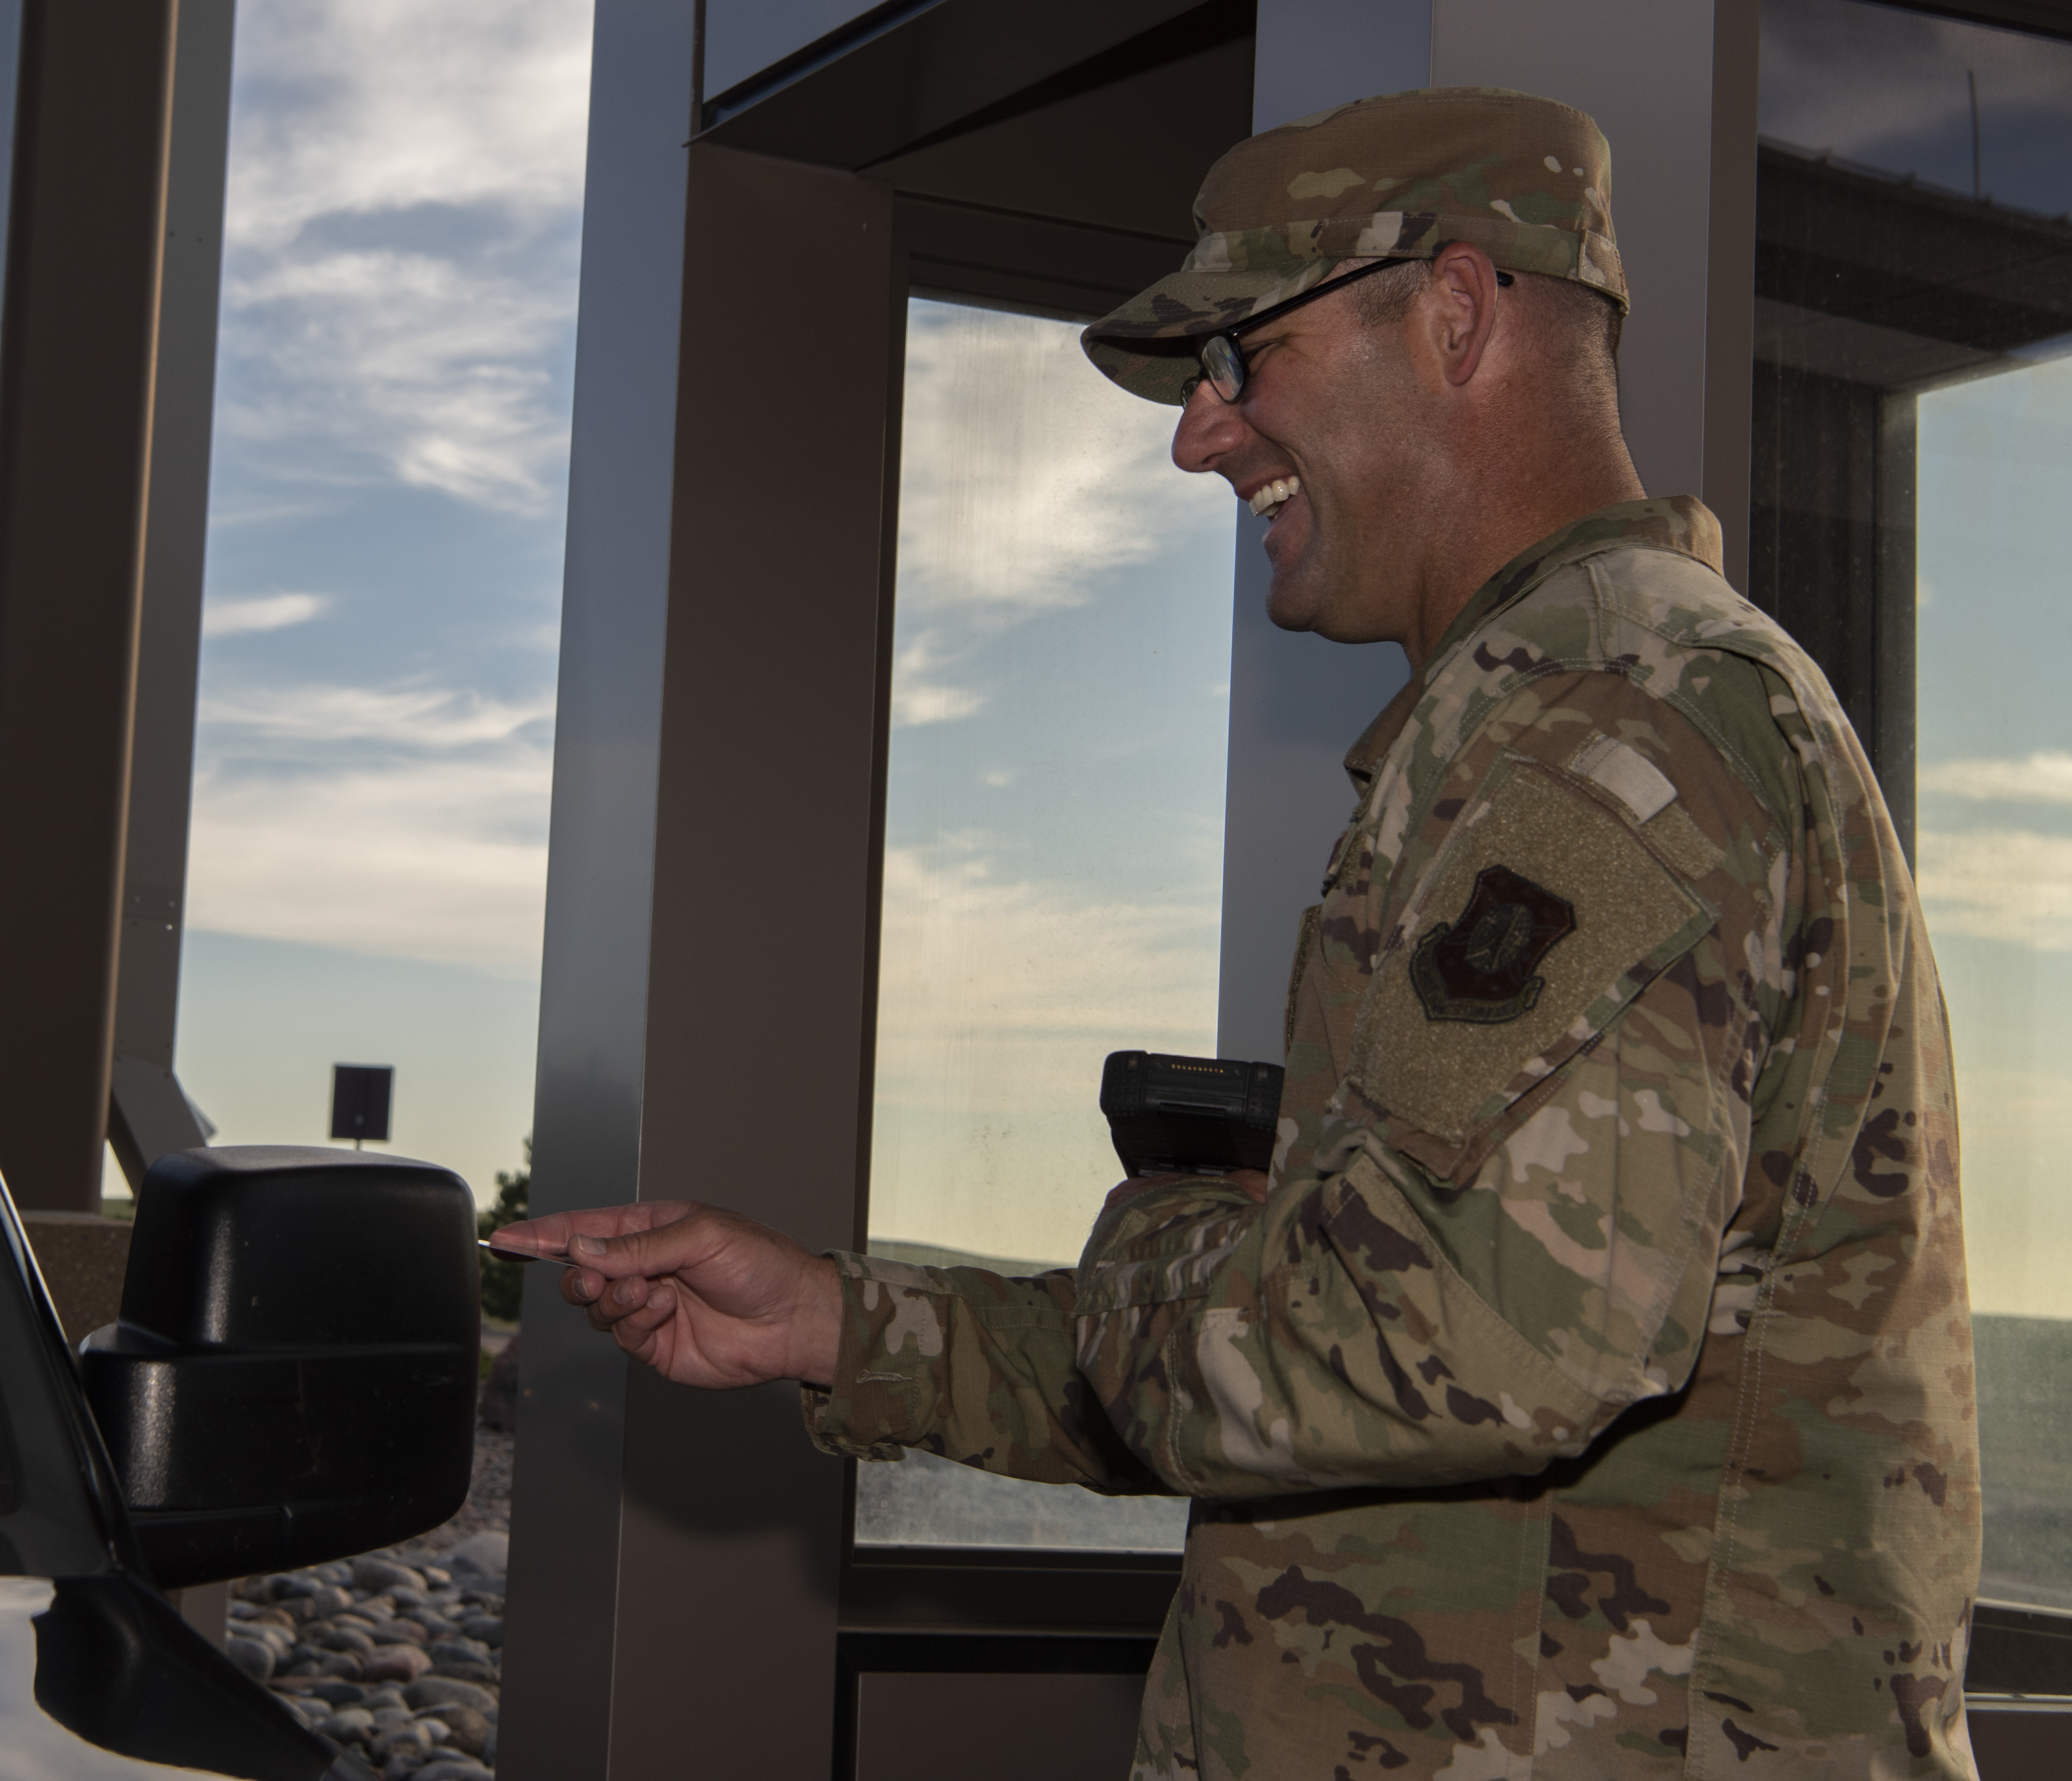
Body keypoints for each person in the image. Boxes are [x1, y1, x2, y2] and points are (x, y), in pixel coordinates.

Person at [498, 87, 1976, 1778]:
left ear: (1457, 314)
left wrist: (1164, 1226)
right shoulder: (1561, 712)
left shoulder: (1608, 720)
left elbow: (1448, 1333)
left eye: (1239, 357)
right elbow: (1342, 1367)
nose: (1199, 438)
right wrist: (838, 1323)